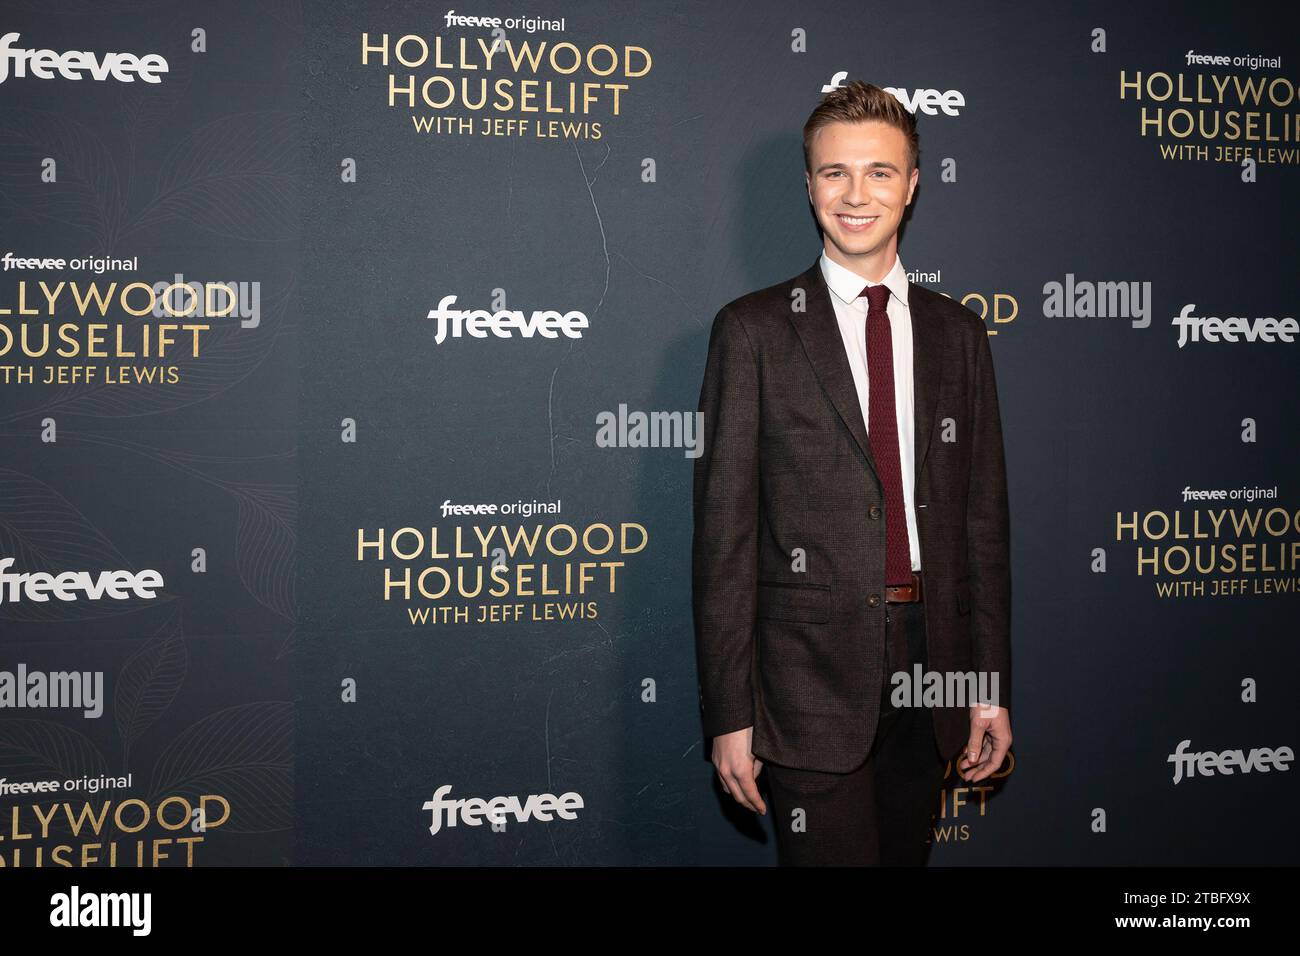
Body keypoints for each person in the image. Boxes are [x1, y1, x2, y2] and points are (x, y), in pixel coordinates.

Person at [691, 80, 1012, 865]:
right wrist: (730, 714)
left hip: (933, 667)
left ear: (911, 184)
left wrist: (988, 686)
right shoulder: (754, 331)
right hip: (806, 681)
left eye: (879, 171)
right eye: (835, 172)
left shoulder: (959, 334)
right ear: (809, 186)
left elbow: (982, 527)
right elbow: (723, 539)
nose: (856, 193)